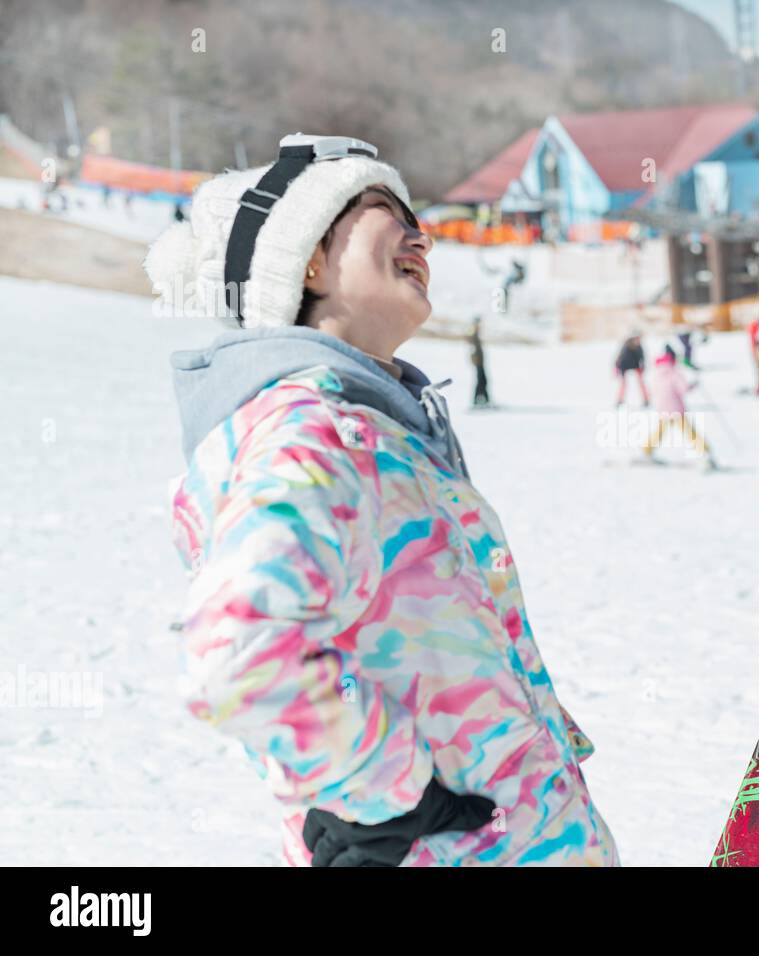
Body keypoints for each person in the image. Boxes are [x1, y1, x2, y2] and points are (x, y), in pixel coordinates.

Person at [146, 134, 617, 867]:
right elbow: (238, 651)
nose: (419, 233)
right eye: (380, 208)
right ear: (304, 258)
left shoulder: (373, 425)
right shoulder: (315, 432)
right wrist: (389, 792)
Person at [643, 345, 717, 471]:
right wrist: (694, 385)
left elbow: (653, 390)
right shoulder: (674, 373)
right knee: (690, 432)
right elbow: (683, 389)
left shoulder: (656, 373)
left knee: (659, 432)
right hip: (675, 409)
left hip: (662, 407)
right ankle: (705, 453)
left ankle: (647, 451)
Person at [614, 331, 649, 406]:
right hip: (624, 366)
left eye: (639, 339)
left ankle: (646, 399)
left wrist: (642, 366)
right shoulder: (626, 346)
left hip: (635, 365)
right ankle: (620, 400)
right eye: (637, 338)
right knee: (624, 383)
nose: (638, 340)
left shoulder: (639, 346)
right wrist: (617, 367)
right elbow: (620, 358)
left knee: (641, 382)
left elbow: (642, 357)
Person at [468, 315, 491, 407]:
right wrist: (475, 361)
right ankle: (477, 400)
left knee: (483, 380)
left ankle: (485, 400)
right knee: (481, 381)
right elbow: (472, 349)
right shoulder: (473, 333)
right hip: (478, 362)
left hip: (480, 362)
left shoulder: (475, 333)